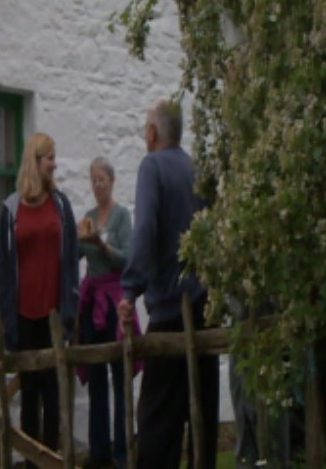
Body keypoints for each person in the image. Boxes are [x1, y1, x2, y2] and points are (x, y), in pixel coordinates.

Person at [118, 100, 218, 469]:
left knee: (158, 429)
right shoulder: (198, 170)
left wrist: (130, 289)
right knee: (202, 421)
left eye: (146, 127)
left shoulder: (153, 167)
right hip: (203, 309)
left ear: (154, 133)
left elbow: (145, 230)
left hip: (170, 312)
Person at [0, 132, 78, 465]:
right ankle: (30, 461)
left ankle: (51, 459)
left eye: (55, 158)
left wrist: (72, 307)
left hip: (54, 313)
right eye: (50, 159)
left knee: (53, 391)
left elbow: (71, 258)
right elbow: (4, 267)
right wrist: (6, 314)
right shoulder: (11, 209)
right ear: (35, 161)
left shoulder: (60, 204)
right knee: (28, 394)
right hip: (24, 313)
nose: (54, 164)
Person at [76, 158, 133, 469]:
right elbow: (79, 255)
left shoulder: (122, 217)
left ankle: (122, 449)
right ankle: (98, 450)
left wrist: (103, 246)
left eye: (101, 179)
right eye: (93, 180)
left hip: (114, 299)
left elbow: (127, 259)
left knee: (119, 375)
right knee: (96, 375)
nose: (97, 185)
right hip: (92, 298)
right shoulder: (88, 217)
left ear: (112, 181)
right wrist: (78, 239)